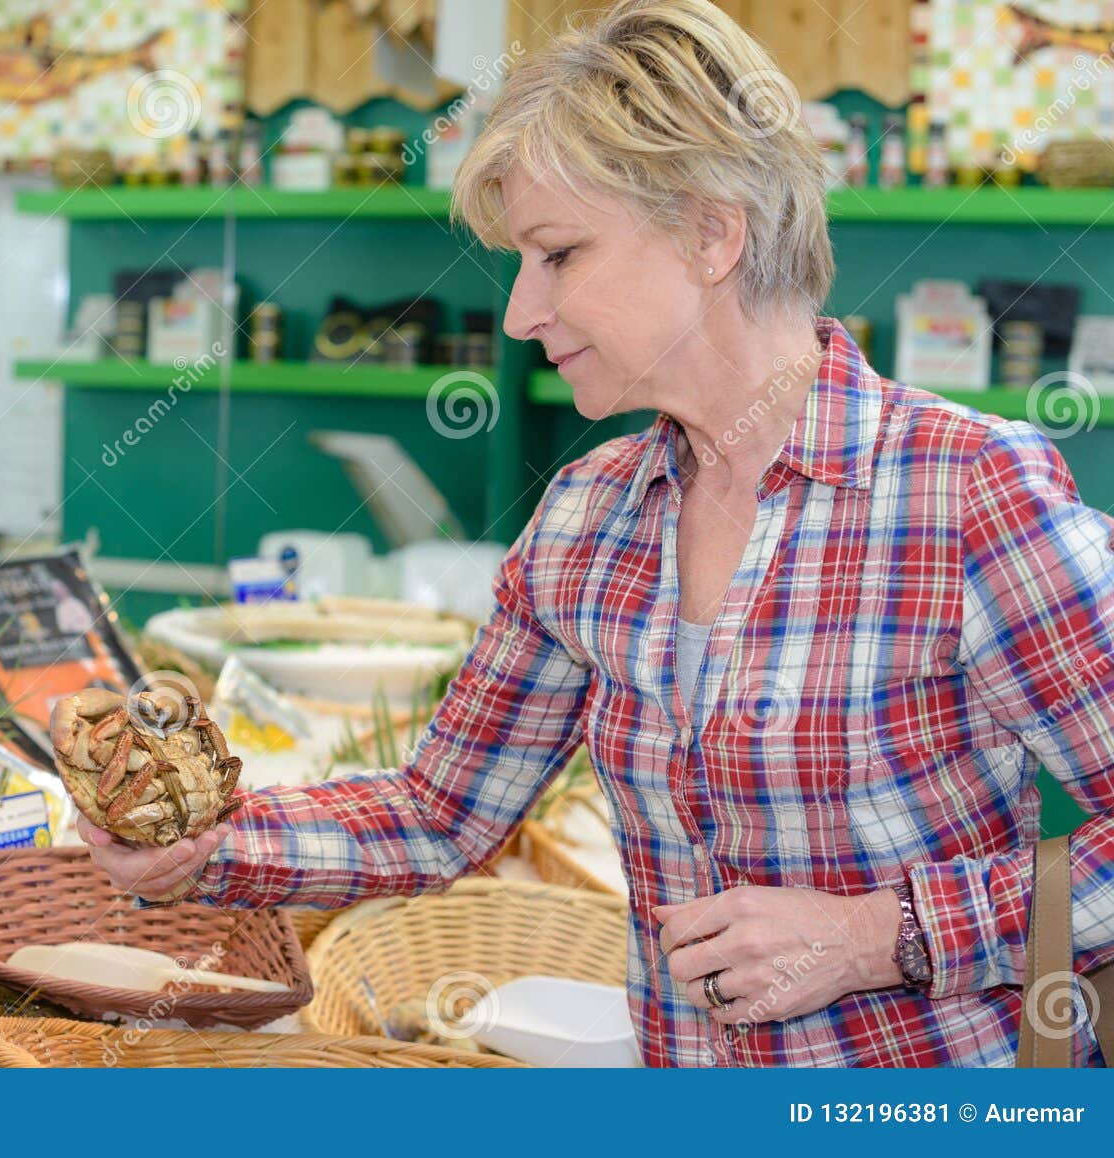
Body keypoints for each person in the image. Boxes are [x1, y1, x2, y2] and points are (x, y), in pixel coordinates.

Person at [78, 0, 1114, 1066]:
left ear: (712, 232)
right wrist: (206, 846)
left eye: (558, 254)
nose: (521, 311)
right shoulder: (588, 516)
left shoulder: (966, 494)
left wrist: (877, 935)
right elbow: (441, 812)